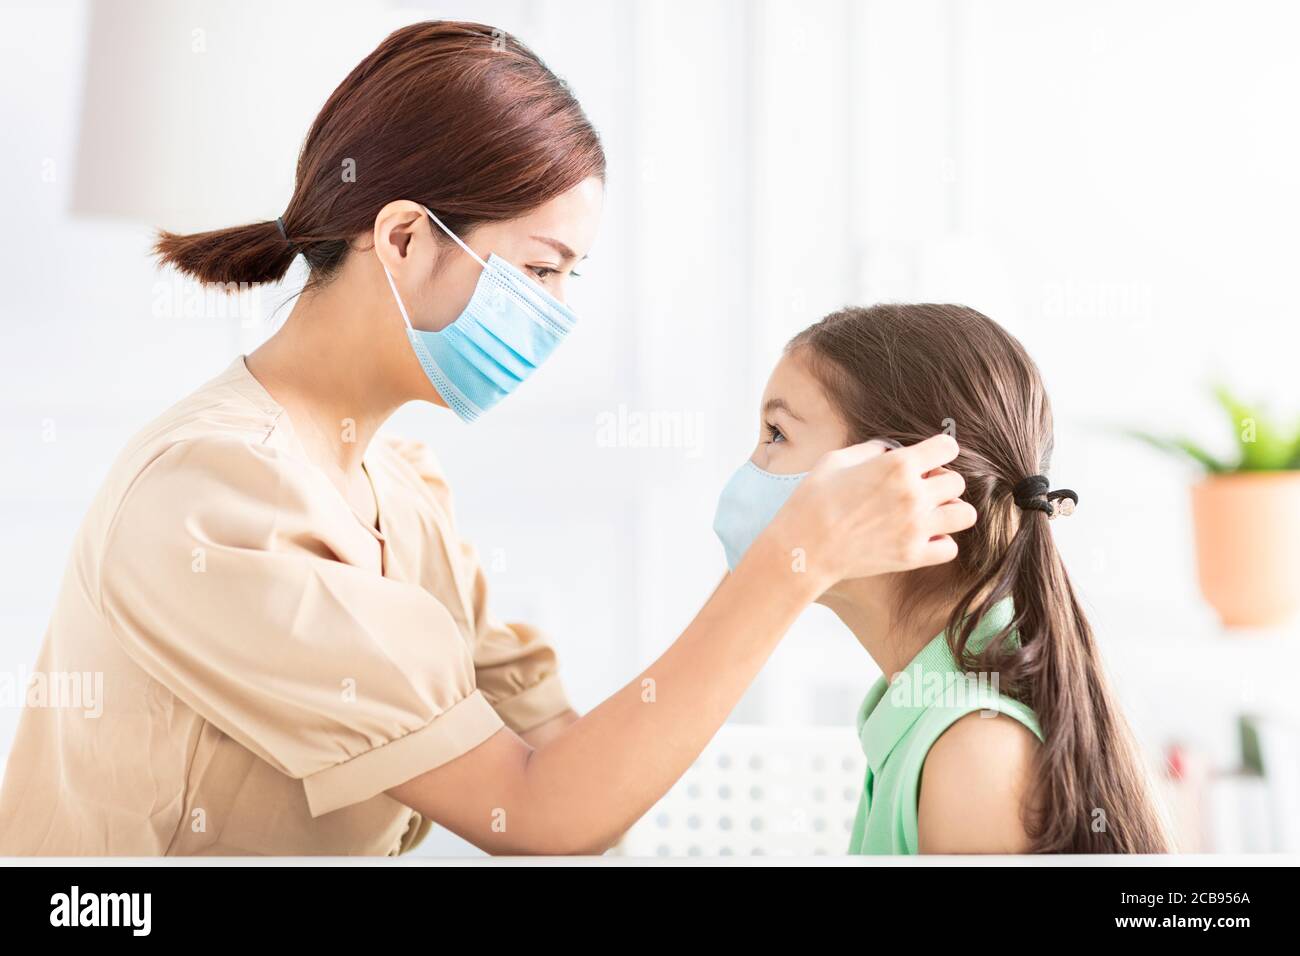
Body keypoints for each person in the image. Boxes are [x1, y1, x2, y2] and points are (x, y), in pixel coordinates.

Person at [0, 22, 973, 856]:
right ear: (404, 240)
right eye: (538, 270)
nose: (554, 316)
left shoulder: (397, 483)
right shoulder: (212, 495)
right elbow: (537, 807)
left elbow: (566, 754)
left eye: (570, 279)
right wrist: (789, 560)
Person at [713, 303, 1171, 853]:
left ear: (906, 482)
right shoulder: (920, 718)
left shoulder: (976, 754)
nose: (752, 465)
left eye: (776, 434)